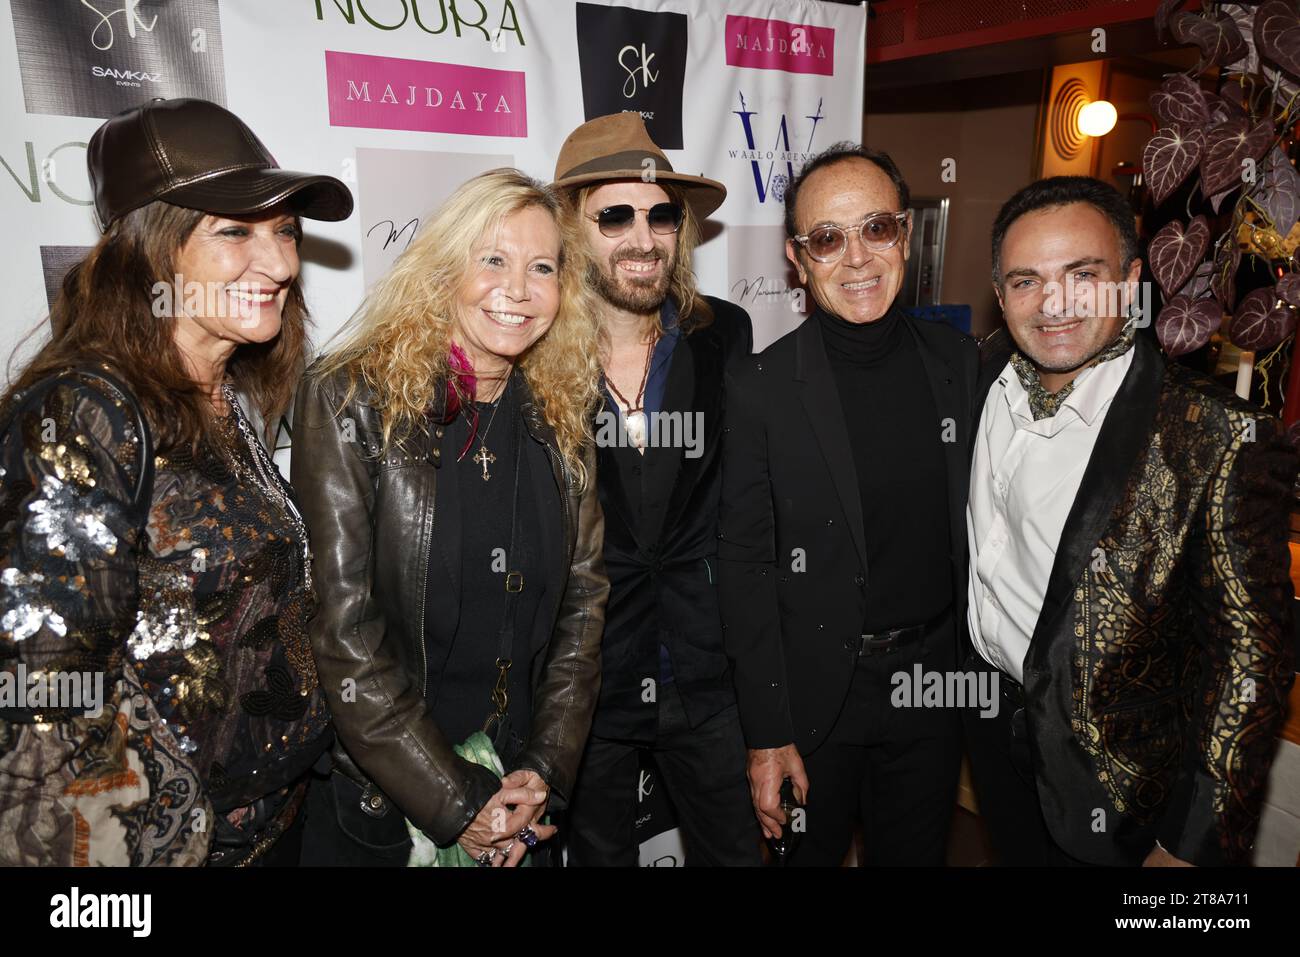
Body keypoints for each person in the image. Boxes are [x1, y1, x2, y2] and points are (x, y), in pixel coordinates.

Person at [0, 97, 353, 866]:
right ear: (152, 251)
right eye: (234, 231)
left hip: (277, 827)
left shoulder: (222, 393)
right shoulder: (84, 410)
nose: (282, 262)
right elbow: (46, 696)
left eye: (285, 230)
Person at [965, 175, 1296, 866]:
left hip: (1121, 788)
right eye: (1025, 281)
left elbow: (1250, 662)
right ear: (1000, 296)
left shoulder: (1214, 435)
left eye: (1082, 275)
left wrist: (1188, 839)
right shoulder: (981, 374)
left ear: (1131, 280)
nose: (1052, 304)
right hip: (992, 732)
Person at [292, 168, 609, 868]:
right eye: (492, 259)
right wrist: (459, 802)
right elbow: (342, 630)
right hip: (388, 804)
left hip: (520, 789)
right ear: (443, 270)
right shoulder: (350, 400)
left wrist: (543, 771)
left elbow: (583, 607)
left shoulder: (561, 412)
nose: (519, 289)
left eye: (543, 267)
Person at [717, 143, 977, 866]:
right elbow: (743, 569)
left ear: (905, 235)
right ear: (798, 260)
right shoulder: (760, 386)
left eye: (877, 229)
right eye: (828, 239)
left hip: (934, 686)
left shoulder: (961, 366)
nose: (857, 258)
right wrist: (766, 735)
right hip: (814, 700)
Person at [551, 113, 760, 866]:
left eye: (661, 214)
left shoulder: (725, 334)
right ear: (571, 228)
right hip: (586, 688)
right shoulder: (532, 354)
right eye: (615, 214)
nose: (644, 238)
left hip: (706, 675)